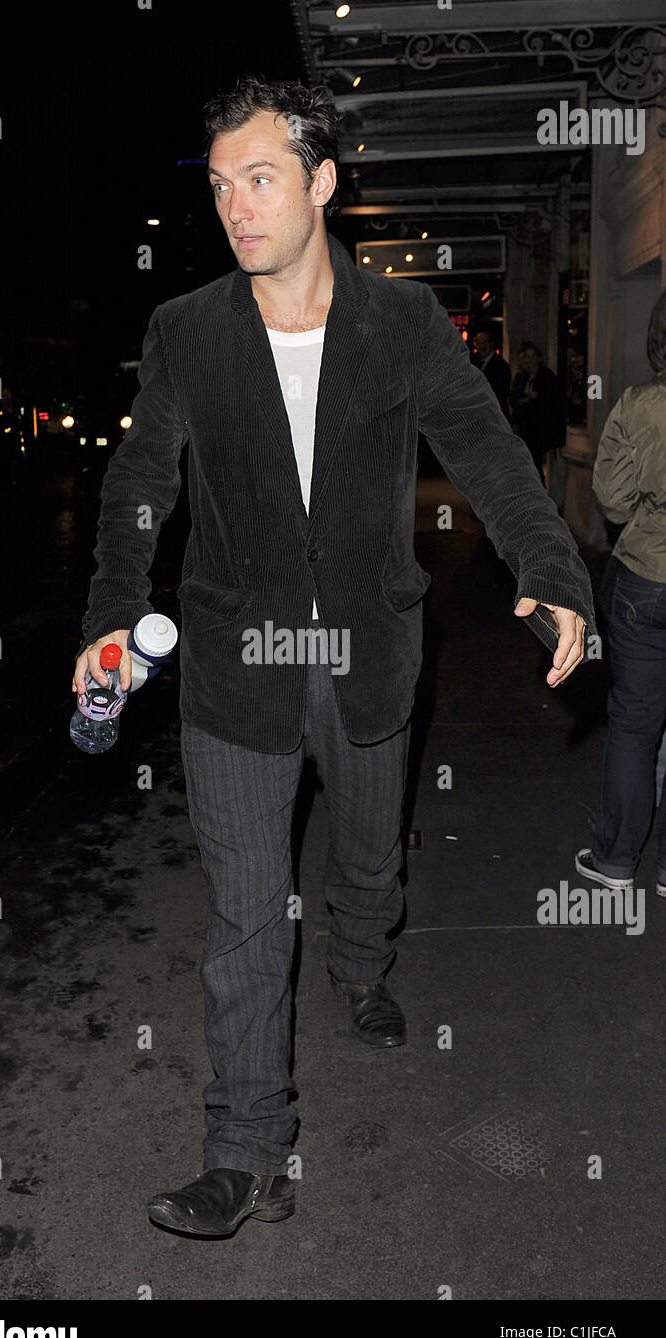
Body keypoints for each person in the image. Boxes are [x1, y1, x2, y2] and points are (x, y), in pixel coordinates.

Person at [72, 75, 595, 1239]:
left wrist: (549, 570)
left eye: (259, 178)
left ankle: (364, 959)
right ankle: (244, 1149)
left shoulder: (400, 325)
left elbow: (488, 453)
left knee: (364, 848)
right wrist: (113, 611)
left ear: (320, 183)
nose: (235, 206)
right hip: (232, 667)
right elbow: (138, 488)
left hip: (366, 649)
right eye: (218, 186)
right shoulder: (187, 332)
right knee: (248, 917)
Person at [576, 289, 666, 896]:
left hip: (647, 580)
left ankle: (615, 863)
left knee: (636, 723)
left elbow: (611, 501)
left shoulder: (638, 405)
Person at [510, 341, 566, 485]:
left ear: (539, 358)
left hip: (539, 427)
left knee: (534, 461)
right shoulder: (521, 378)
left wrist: (537, 397)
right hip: (524, 425)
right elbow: (512, 397)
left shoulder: (546, 377)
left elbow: (554, 400)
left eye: (532, 356)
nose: (528, 360)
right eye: (526, 356)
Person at [472, 324, 511, 420]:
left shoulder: (500, 365)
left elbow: (499, 393)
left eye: (485, 342)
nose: (482, 346)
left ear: (491, 344)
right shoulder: (474, 362)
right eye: (479, 343)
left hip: (495, 415)